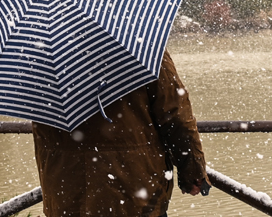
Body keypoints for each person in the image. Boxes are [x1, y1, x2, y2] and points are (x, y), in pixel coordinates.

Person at [32, 51, 207, 217]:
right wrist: (192, 171)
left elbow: (40, 127)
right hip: (134, 192)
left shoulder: (38, 54)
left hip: (66, 194)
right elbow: (175, 114)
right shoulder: (140, 45)